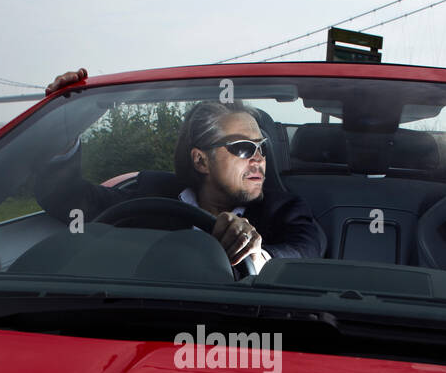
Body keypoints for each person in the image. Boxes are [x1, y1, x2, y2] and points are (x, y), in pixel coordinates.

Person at [35, 67, 325, 272]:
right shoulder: (151, 198)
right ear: (200, 160)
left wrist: (255, 254)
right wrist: (63, 127)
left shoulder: (283, 209)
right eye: (242, 148)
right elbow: (66, 198)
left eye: (260, 147)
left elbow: (304, 250)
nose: (258, 159)